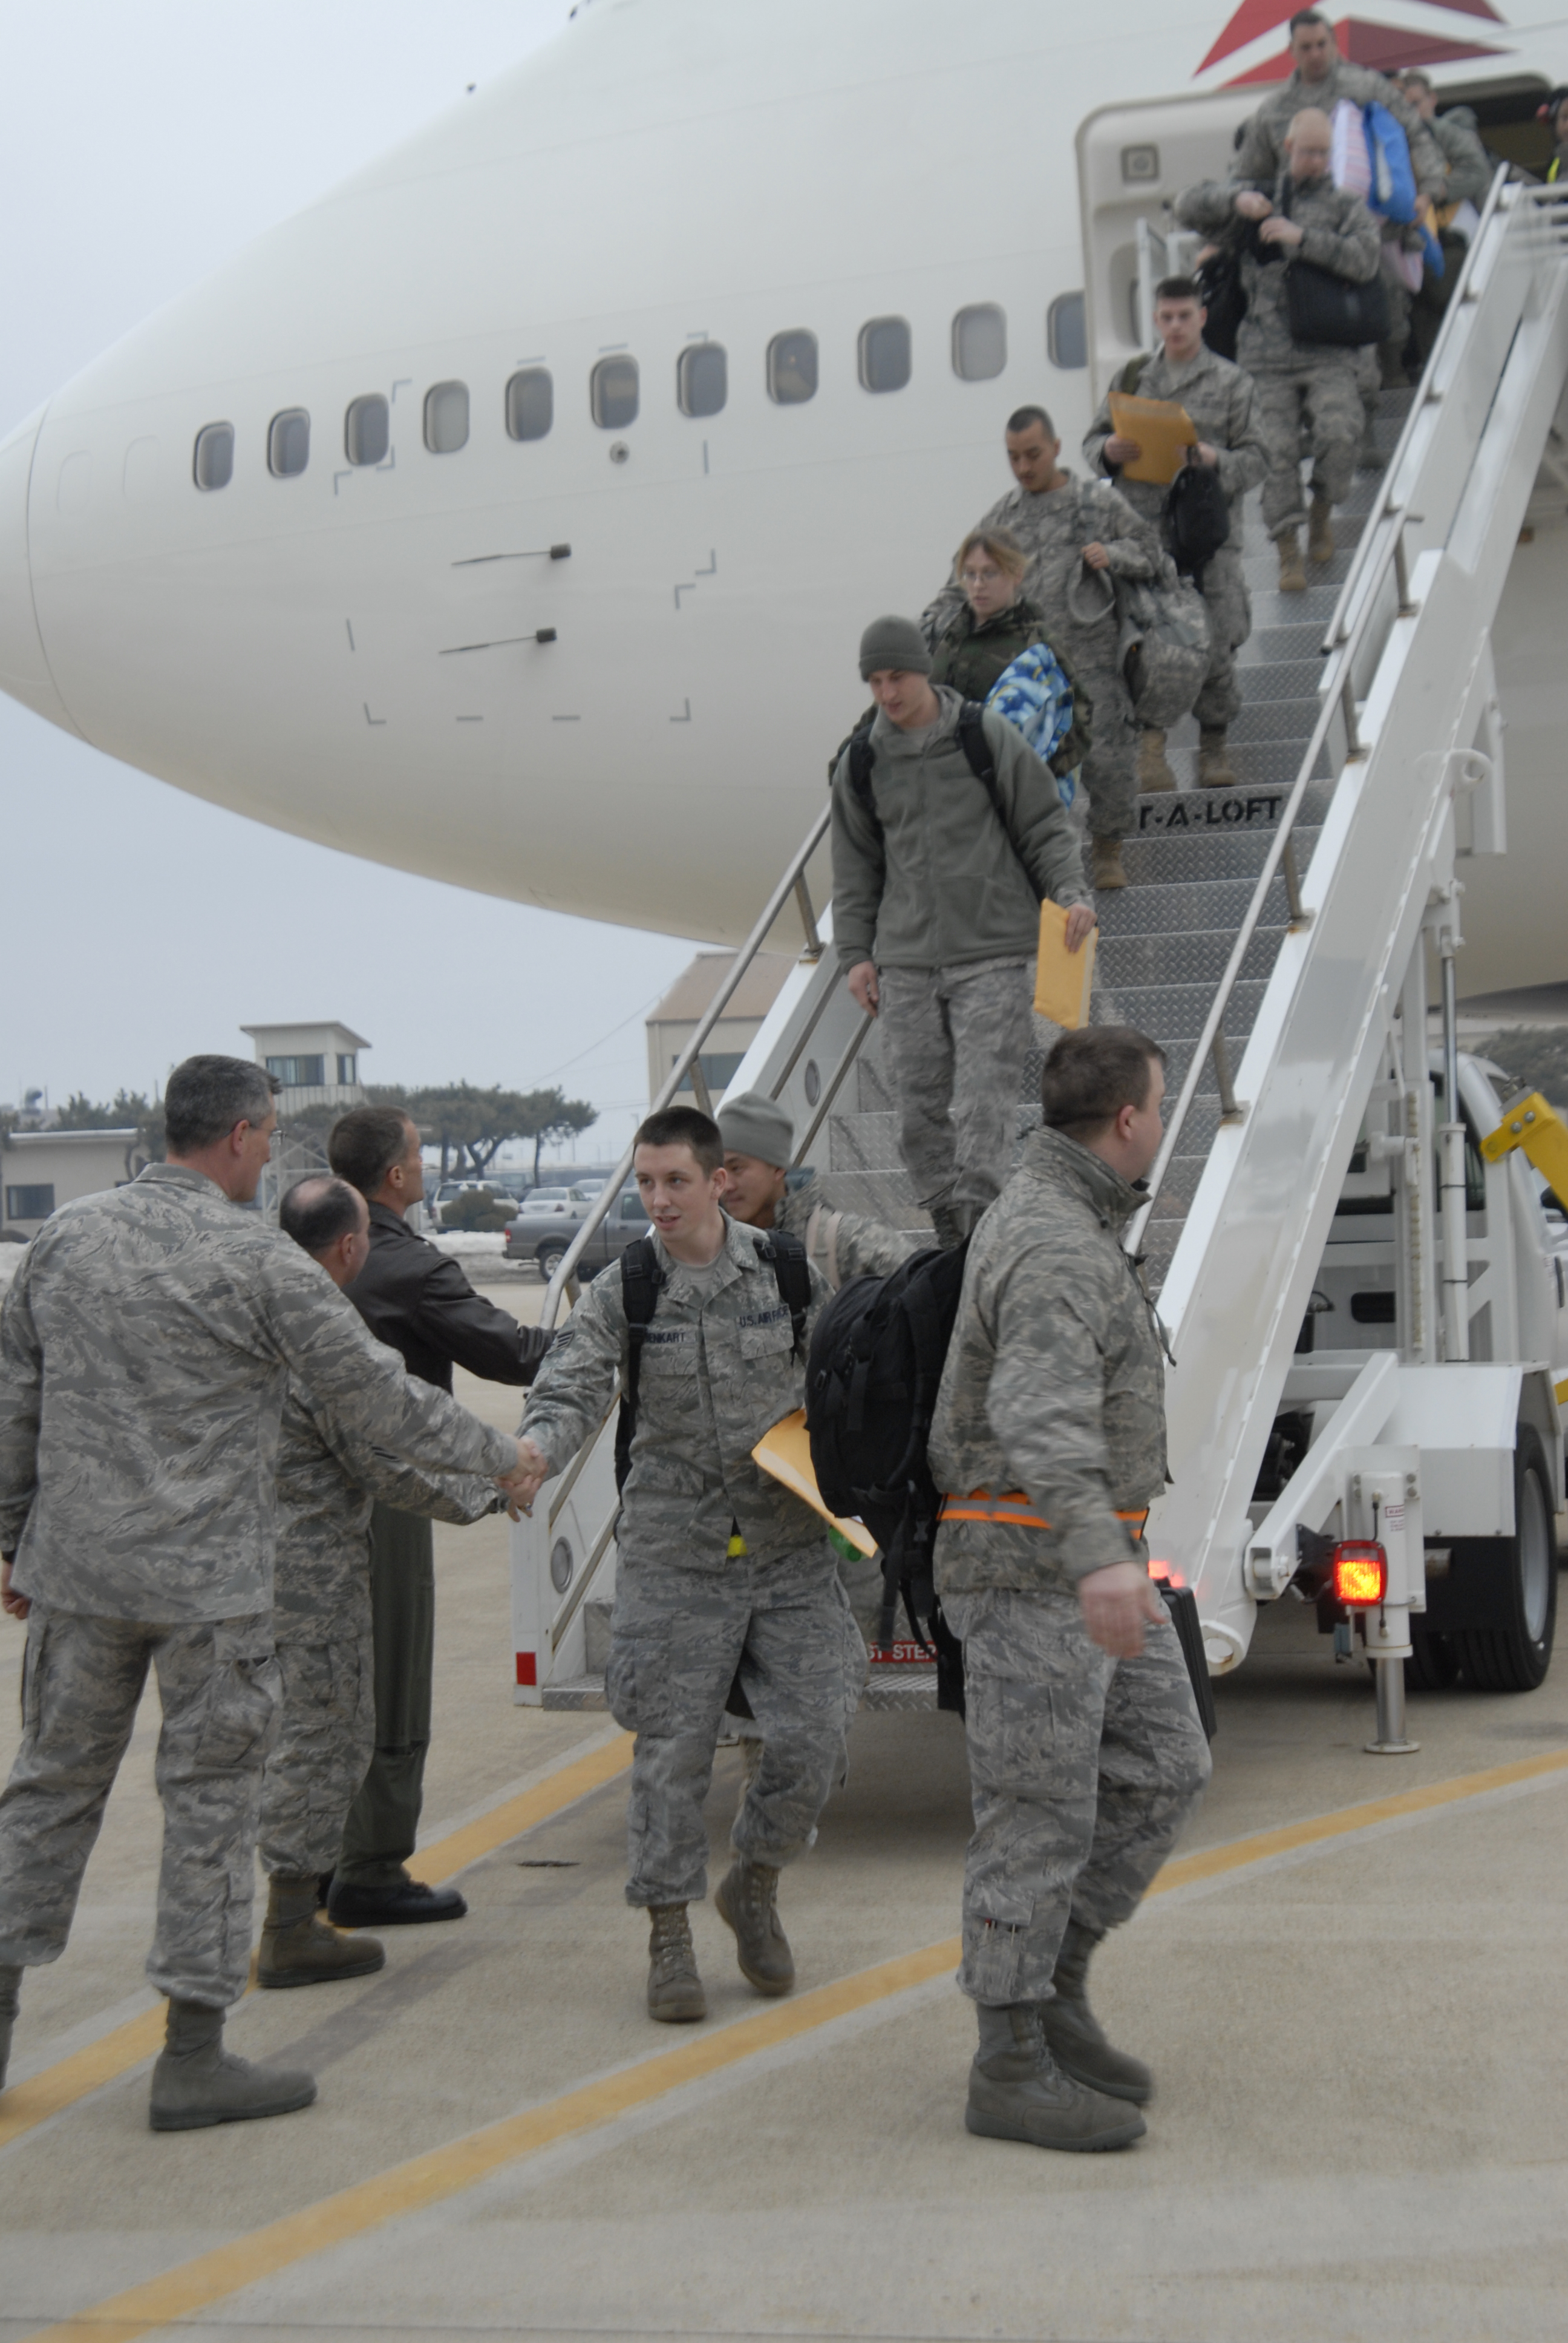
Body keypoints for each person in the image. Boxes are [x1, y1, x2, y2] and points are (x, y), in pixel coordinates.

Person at [0, 1057, 530, 2128]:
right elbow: (376, 1396)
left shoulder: (63, 1241)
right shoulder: (257, 1260)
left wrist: (12, 1538)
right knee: (208, 1805)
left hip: (79, 1576)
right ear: (242, 1136)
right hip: (211, 1591)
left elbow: (17, 1393)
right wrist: (501, 1459)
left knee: (47, 1797)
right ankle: (192, 2056)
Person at [511, 1106, 866, 2025]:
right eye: (645, 1183)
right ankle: (668, 1932)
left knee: (814, 1734)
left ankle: (753, 1881)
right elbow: (574, 1382)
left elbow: (842, 1373)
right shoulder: (625, 1286)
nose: (658, 1200)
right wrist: (538, 1452)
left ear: (718, 1181)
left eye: (676, 1181)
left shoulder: (787, 1272)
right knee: (670, 1754)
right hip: (676, 1554)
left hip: (786, 1549)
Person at [928, 1026, 1212, 2154]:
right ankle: (1005, 2062)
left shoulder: (1074, 1219)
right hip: (1031, 1569)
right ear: (1131, 1121)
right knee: (1035, 1817)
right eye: (1160, 1106)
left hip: (1081, 1559)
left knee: (1163, 1768)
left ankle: (1053, 1989)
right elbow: (1037, 1413)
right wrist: (1100, 1558)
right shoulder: (1053, 1242)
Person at [257, 1175, 500, 1990]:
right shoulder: (318, 1327)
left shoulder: (242, 1306)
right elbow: (383, 1451)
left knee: (260, 1737)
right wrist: (499, 1483)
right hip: (312, 1574)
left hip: (225, 1566)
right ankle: (298, 1918)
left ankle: (307, 1888)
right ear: (351, 1249)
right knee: (325, 1736)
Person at [324, 1105, 552, 1933]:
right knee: (393, 1671)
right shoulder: (405, 1265)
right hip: (388, 1496)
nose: (424, 1167)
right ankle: (373, 1867)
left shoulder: (301, 1255)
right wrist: (607, 1342)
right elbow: (506, 1350)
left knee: (324, 1679)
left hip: (300, 1495)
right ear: (395, 1177)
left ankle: (313, 1860)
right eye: (418, 1155)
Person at [830, 615, 1096, 1250]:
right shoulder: (864, 760)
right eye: (875, 681)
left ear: (923, 669)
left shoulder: (984, 735)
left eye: (896, 675)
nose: (887, 692)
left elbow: (1041, 823)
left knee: (983, 1112)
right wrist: (856, 956)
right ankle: (955, 1241)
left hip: (992, 955)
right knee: (919, 1124)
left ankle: (984, 1240)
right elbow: (855, 865)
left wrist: (1071, 892)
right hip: (907, 963)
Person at [921, 408, 1165, 891]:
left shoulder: (1096, 504)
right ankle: (1048, 871)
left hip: (1091, 660)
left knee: (1111, 764)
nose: (1024, 467)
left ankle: (1108, 848)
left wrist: (1111, 555)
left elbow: (1151, 550)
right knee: (1032, 776)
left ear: (1055, 448)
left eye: (1033, 455)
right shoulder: (1003, 519)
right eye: (1014, 458)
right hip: (1031, 673)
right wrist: (926, 628)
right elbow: (963, 582)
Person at [1178, 110, 1381, 592]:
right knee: (1277, 453)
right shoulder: (1260, 201)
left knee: (1339, 434)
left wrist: (1303, 239)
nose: (1316, 161)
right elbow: (1187, 207)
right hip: (1265, 355)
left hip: (1328, 349)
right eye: (1308, 151)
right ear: (1289, 149)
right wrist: (1237, 198)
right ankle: (1289, 547)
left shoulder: (1345, 205)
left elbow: (1366, 259)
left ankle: (1323, 510)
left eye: (1323, 152)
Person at [1083, 274, 1268, 791]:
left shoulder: (1233, 383)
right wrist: (1107, 452)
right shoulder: (1134, 376)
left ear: (1202, 317)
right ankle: (1152, 750)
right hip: (1146, 534)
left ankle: (1213, 746)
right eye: (1166, 317)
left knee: (1218, 636)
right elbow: (1093, 440)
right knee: (1148, 643)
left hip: (1208, 536)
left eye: (1185, 316)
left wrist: (1213, 460)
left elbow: (1259, 460)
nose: (1176, 326)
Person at [927, 528, 1090, 781]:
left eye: (990, 573)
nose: (978, 585)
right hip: (941, 785)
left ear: (1017, 575)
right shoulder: (946, 635)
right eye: (970, 574)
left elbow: (1078, 722)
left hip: (1001, 793)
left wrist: (1030, 785)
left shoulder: (1039, 647)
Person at [716, 1089, 918, 1287]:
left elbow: (930, 1292)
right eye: (719, 1173)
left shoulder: (849, 1243)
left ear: (777, 1168)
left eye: (737, 1168)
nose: (727, 1186)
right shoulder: (707, 1252)